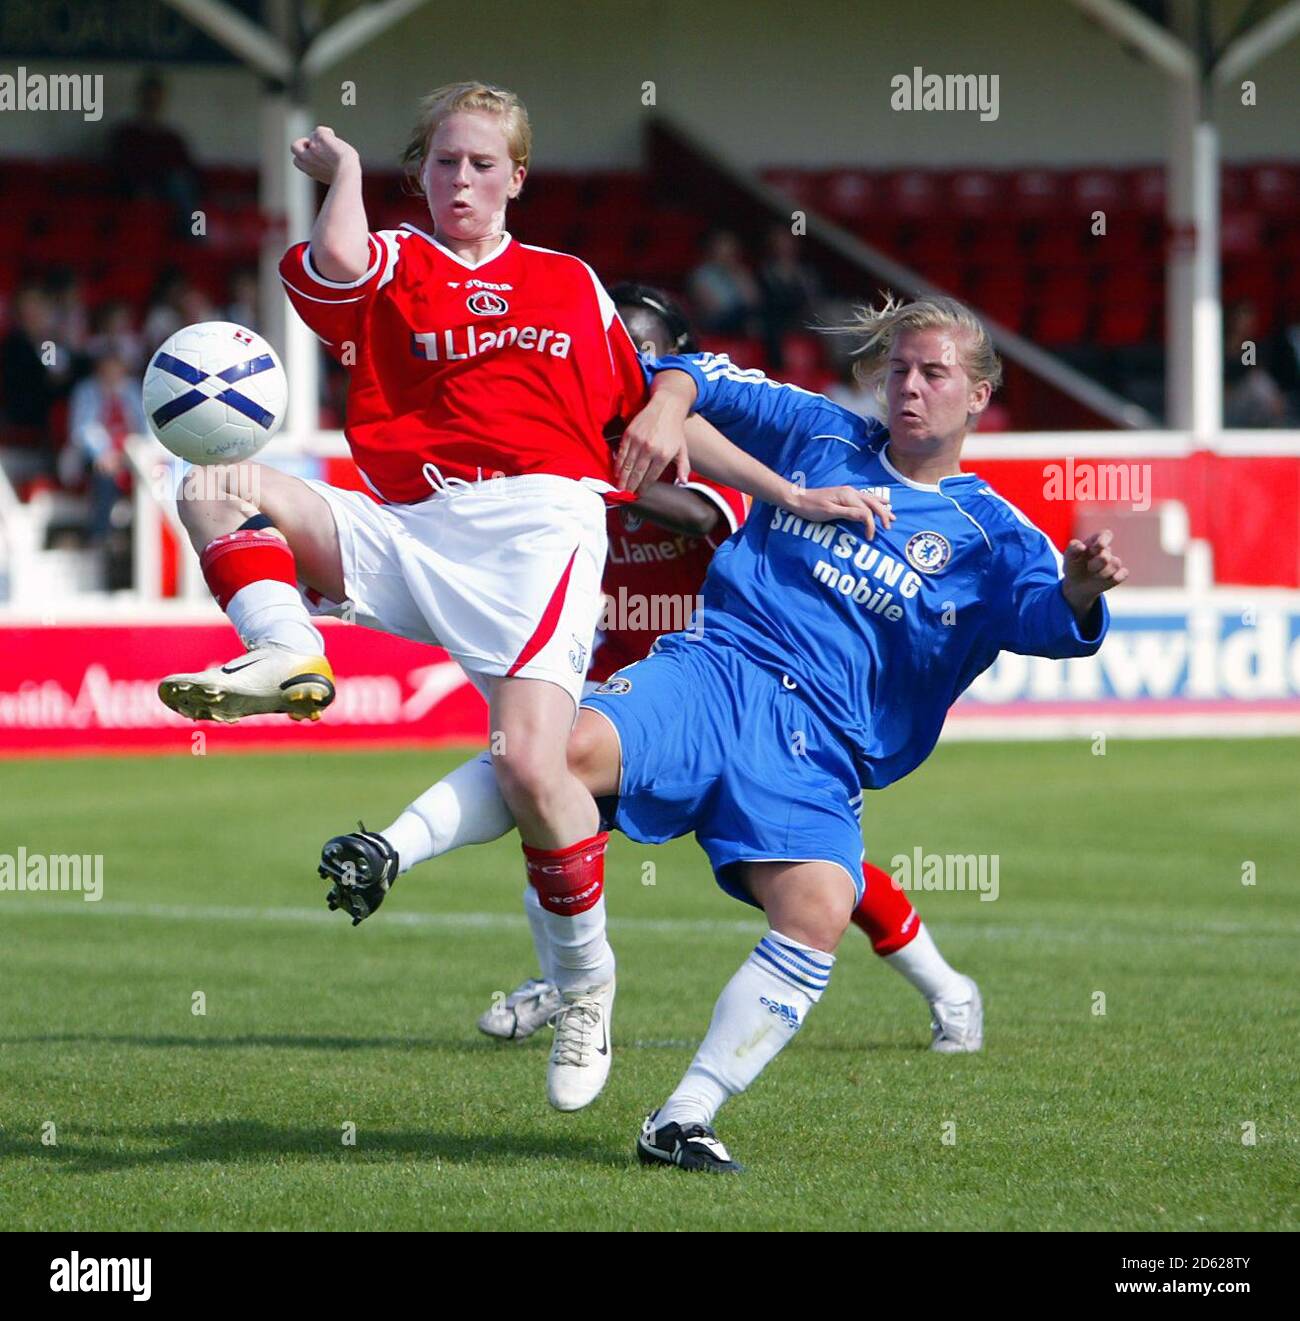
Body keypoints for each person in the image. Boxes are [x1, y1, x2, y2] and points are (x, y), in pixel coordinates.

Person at [155, 82, 885, 1115]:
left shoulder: (569, 284)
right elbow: (335, 269)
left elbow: (653, 421)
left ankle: (586, 987)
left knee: (534, 769)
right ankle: (286, 651)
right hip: (411, 524)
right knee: (209, 485)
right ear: (421, 173)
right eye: (444, 162)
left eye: (482, 164)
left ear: (517, 179)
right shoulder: (393, 259)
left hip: (537, 529)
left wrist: (787, 491)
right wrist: (350, 177)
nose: (462, 181)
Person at [332, 294, 1121, 1171]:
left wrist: (1082, 590)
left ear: (978, 397)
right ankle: (394, 852)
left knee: (822, 904)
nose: (909, 387)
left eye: (934, 373)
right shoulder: (821, 434)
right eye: (898, 368)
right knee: (556, 754)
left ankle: (682, 1118)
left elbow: (1049, 619)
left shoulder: (993, 536)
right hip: (717, 671)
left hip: (820, 745)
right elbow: (705, 374)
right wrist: (668, 398)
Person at [64, 350, 146, 544]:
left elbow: (146, 426)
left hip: (131, 455)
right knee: (105, 473)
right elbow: (81, 430)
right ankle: (99, 538)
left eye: (117, 369)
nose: (112, 374)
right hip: (95, 457)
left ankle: (140, 542)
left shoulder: (133, 389)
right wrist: (104, 452)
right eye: (107, 369)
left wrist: (139, 450)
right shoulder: (85, 390)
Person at [688, 230, 762, 337]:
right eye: (723, 246)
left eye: (731, 247)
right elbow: (713, 308)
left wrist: (737, 275)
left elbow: (754, 301)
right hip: (715, 322)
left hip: (743, 319)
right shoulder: (701, 274)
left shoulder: (740, 271)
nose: (728, 251)